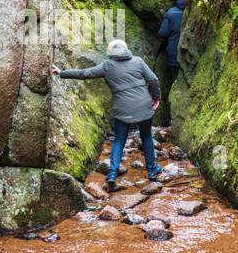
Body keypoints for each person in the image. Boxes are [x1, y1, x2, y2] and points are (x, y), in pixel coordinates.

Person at [53, 38, 161, 187]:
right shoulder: (138, 61)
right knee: (147, 137)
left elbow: (85, 73)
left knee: (119, 141)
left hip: (123, 110)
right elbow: (153, 80)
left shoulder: (107, 66)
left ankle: (111, 174)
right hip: (144, 106)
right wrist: (156, 98)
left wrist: (62, 72)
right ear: (126, 49)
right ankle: (152, 171)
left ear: (110, 53)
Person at [158, 0, 185, 68]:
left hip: (173, 52)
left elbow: (163, 33)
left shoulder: (171, 12)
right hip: (187, 56)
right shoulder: (191, 13)